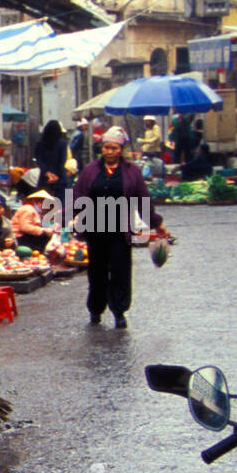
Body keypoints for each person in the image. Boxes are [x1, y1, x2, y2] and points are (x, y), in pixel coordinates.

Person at [71, 125, 162, 329]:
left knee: (121, 271)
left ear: (121, 149)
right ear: (101, 148)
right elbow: (78, 195)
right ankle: (96, 309)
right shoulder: (90, 170)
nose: (109, 152)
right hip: (95, 230)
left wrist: (156, 223)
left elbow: (143, 200)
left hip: (120, 230)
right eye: (106, 147)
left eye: (114, 148)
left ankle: (119, 311)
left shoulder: (132, 172)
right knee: (97, 272)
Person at [34, 120, 68, 200]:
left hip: (45, 179)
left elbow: (39, 161)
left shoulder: (39, 145)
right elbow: (62, 161)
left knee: (44, 204)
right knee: (61, 205)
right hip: (60, 178)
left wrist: (47, 173)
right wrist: (55, 176)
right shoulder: (62, 144)